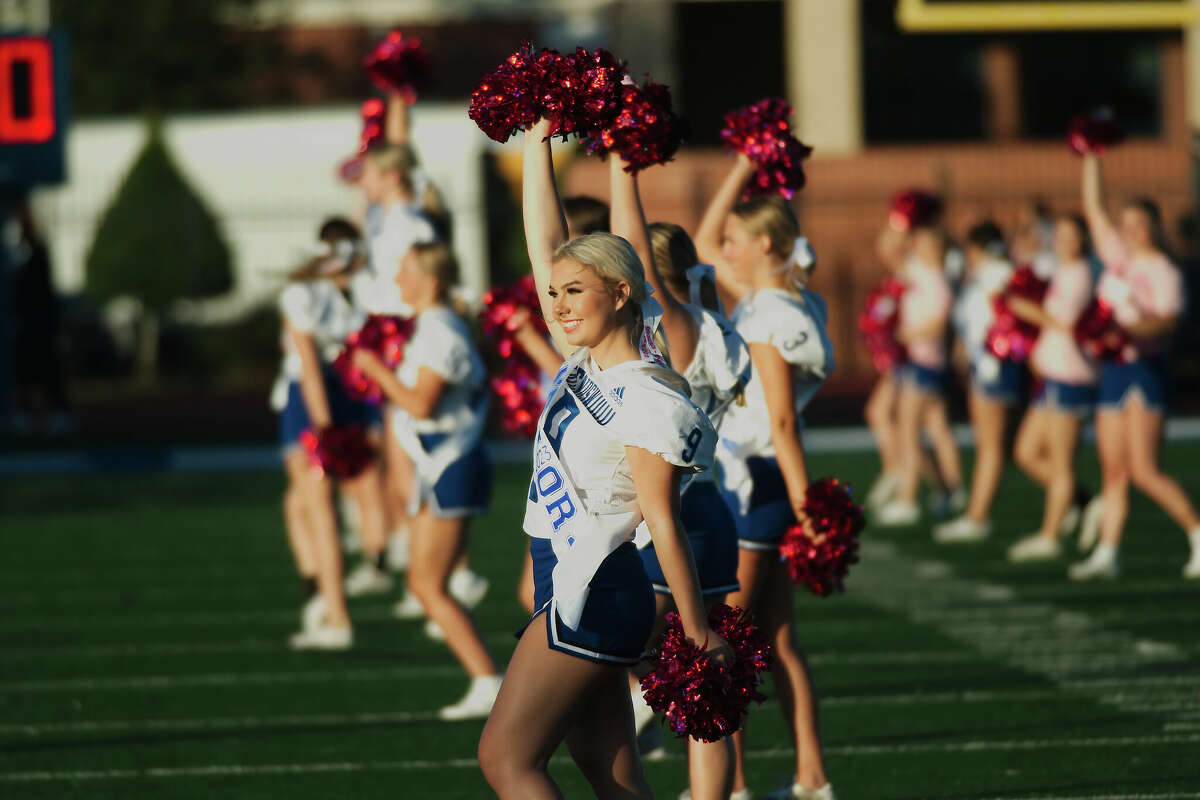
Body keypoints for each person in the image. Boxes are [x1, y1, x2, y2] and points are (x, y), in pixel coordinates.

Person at [478, 117, 730, 799]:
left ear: (621, 293)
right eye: (554, 294)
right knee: (605, 765)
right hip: (568, 575)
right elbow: (546, 244)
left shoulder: (650, 396)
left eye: (573, 293)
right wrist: (536, 144)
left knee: (505, 759)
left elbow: (662, 520)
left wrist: (698, 633)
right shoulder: (583, 360)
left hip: (595, 585)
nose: (557, 306)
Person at [693, 153, 836, 800]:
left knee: (725, 642)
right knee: (777, 638)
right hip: (765, 485)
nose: (724, 248)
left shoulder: (773, 317)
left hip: (756, 486)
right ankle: (811, 777)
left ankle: (735, 785)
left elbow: (781, 422)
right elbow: (700, 243)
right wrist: (744, 165)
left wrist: (812, 511)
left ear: (767, 244)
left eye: (735, 240)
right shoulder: (780, 301)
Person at [611, 156, 752, 800]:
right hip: (713, 514)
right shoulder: (715, 322)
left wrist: (624, 165)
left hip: (666, 520)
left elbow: (628, 245)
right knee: (704, 690)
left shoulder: (663, 324)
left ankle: (640, 710)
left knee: (614, 656)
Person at [353, 240, 503, 718]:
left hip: (451, 464)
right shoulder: (434, 328)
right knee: (425, 582)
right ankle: (486, 674)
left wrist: (375, 369)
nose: (397, 279)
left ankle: (487, 678)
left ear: (431, 280)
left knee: (427, 584)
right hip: (441, 464)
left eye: (406, 270)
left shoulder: (440, 331)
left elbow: (421, 405)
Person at [1070, 153, 1200, 580]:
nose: (1130, 231)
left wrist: (1131, 330)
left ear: (1153, 226)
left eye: (1138, 223)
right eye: (1125, 224)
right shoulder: (1119, 261)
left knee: (1145, 470)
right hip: (1116, 371)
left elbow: (1169, 319)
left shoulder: (1164, 270)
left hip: (1145, 369)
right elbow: (1093, 208)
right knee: (1114, 469)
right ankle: (1108, 552)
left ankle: (1197, 532)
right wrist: (1092, 155)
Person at [277, 218, 390, 650]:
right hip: (344, 392)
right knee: (302, 503)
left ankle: (334, 612)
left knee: (319, 507)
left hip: (319, 397)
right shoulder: (350, 287)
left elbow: (307, 364)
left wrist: (322, 426)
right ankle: (321, 591)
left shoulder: (321, 290)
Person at [1007, 214, 1102, 561]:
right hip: (1052, 374)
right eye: (1060, 234)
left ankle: (1050, 535)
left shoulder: (1081, 274)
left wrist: (1024, 309)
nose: (1064, 241)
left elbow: (1066, 323)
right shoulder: (1062, 270)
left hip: (1070, 373)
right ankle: (1086, 501)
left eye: (1071, 236)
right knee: (1026, 452)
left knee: (1062, 464)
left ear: (1083, 240)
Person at [935, 222, 1022, 542]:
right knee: (1005, 446)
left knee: (992, 445)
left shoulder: (1000, 273)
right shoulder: (982, 275)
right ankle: (1079, 502)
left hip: (995, 366)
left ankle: (978, 516)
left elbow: (1003, 320)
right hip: (981, 364)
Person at [876, 226, 965, 527]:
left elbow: (939, 325)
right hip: (920, 360)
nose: (917, 247)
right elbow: (886, 248)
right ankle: (953, 488)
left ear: (938, 250)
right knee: (937, 426)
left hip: (926, 361)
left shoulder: (939, 282)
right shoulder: (917, 271)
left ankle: (908, 499)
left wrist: (908, 334)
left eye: (925, 243)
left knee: (907, 429)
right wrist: (901, 224)